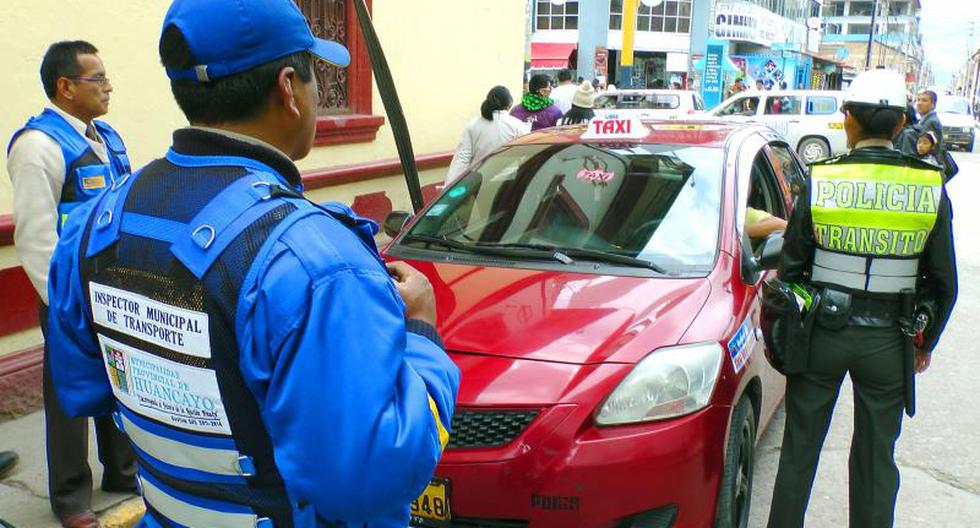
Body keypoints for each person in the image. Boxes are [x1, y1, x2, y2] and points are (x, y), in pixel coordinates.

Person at [45, 1, 461, 526]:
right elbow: (371, 480)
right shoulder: (318, 264)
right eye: (315, 79)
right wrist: (421, 333)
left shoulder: (94, 226)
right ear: (288, 87)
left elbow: (85, 387)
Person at [767, 69, 957, 528]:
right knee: (876, 464)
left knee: (797, 454)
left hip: (820, 337)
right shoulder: (930, 186)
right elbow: (944, 283)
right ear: (899, 125)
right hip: (890, 343)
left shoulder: (823, 178)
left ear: (849, 120)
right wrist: (924, 342)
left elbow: (791, 268)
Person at [6, 40, 136, 528]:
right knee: (68, 395)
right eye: (96, 78)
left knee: (118, 379)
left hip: (112, 289)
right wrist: (61, 304)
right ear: (65, 87)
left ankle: (122, 472)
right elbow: (36, 237)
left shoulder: (106, 138)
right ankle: (70, 498)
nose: (107, 86)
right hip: (68, 297)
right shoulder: (38, 146)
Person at [445, 86, 530, 184]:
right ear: (509, 104)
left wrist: (449, 186)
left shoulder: (473, 125)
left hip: (479, 180)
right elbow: (526, 156)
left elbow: (462, 158)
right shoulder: (518, 126)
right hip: (507, 183)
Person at [915, 90, 944, 158]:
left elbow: (934, 149)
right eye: (918, 100)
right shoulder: (923, 120)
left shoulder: (932, 122)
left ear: (933, 105)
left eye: (924, 100)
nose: (919, 103)